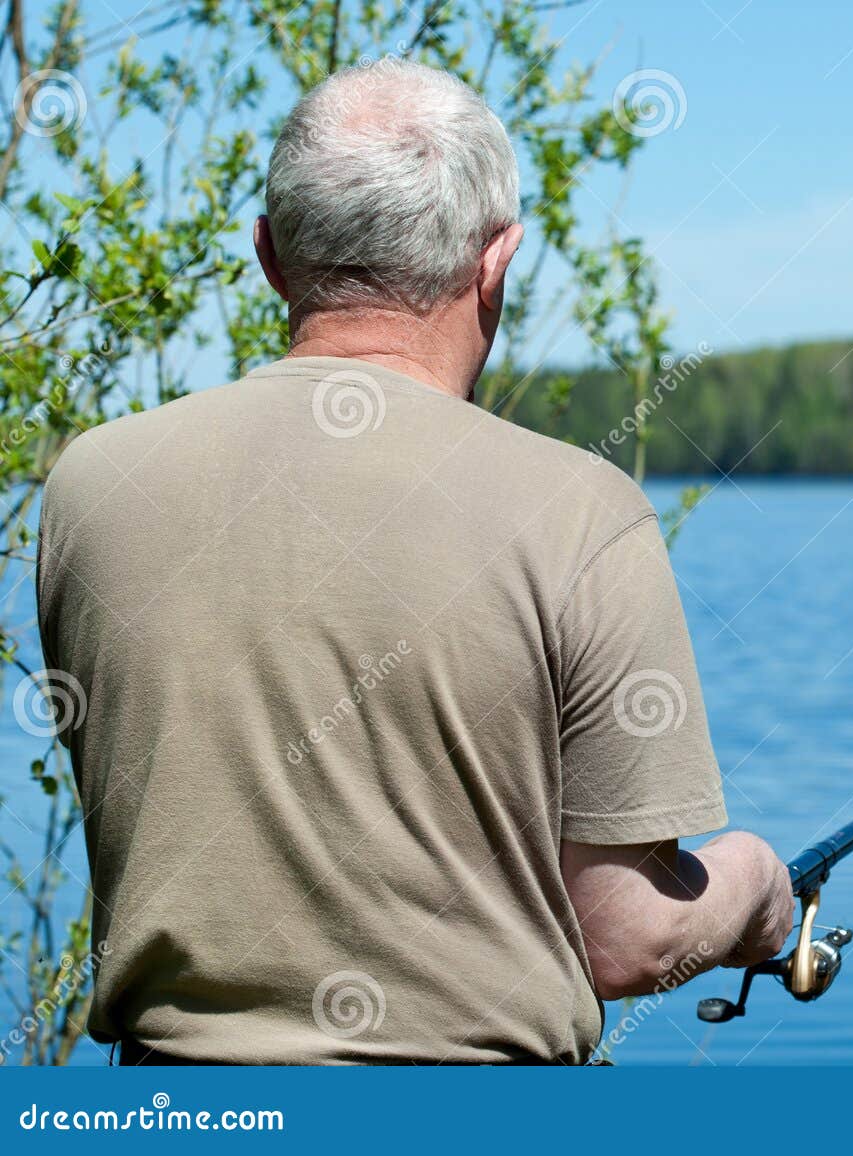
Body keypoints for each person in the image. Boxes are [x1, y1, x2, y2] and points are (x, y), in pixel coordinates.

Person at [35, 59, 793, 1065]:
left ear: (268, 256)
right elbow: (624, 936)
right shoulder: (582, 511)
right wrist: (755, 886)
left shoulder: (93, 487)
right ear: (497, 262)